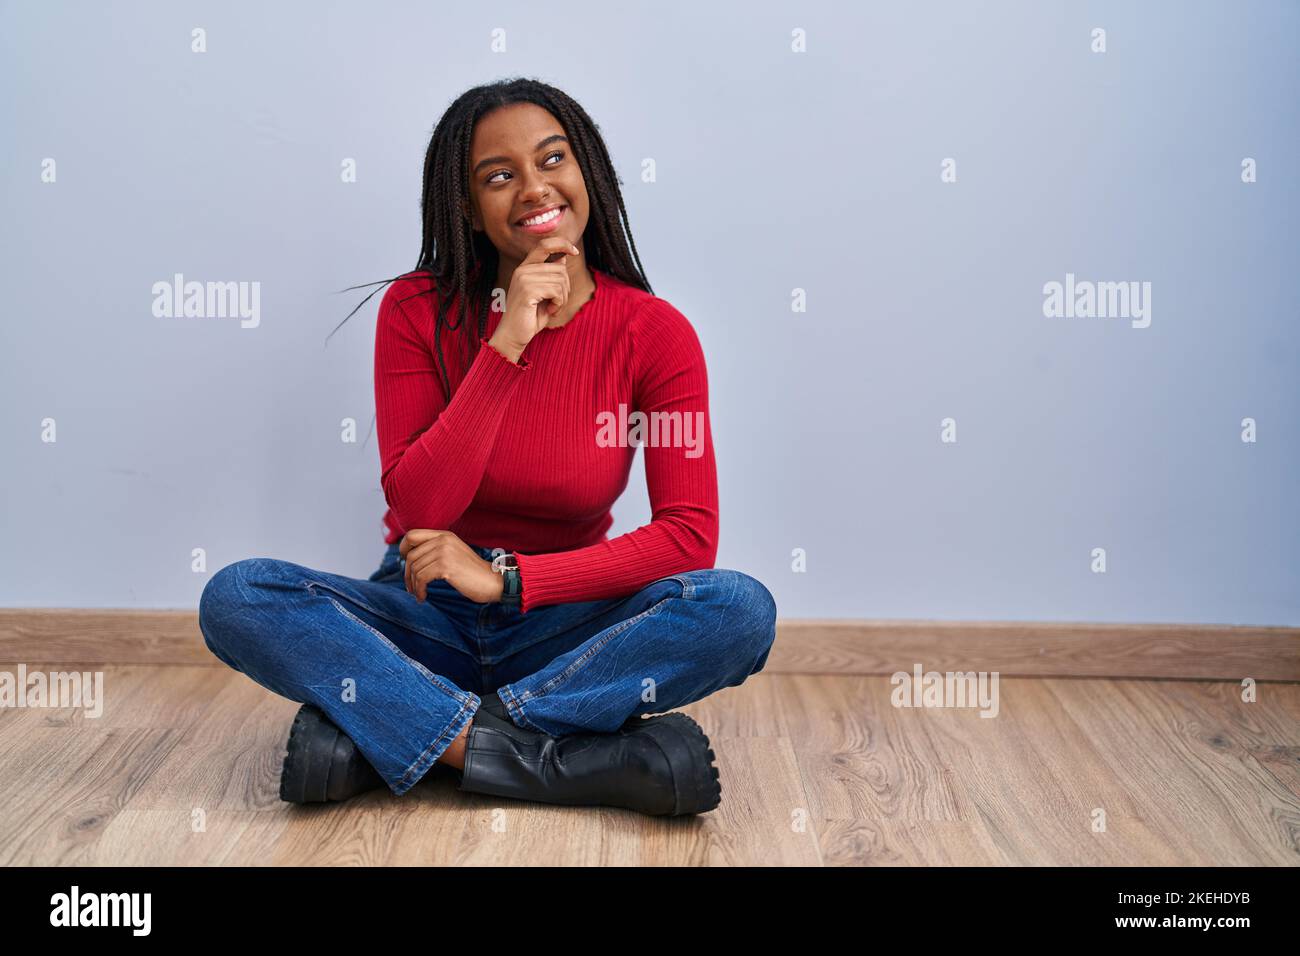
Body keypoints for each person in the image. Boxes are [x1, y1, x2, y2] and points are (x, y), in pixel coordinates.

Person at [198, 78, 777, 817]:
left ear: (586, 172)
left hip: (567, 622)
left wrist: (507, 581)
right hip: (423, 616)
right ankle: (544, 755)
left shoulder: (656, 334)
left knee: (737, 608)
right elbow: (420, 506)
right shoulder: (416, 309)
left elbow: (688, 538)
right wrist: (506, 346)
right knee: (240, 596)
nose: (534, 189)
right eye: (498, 177)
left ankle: (408, 736)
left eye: (552, 160)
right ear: (469, 209)